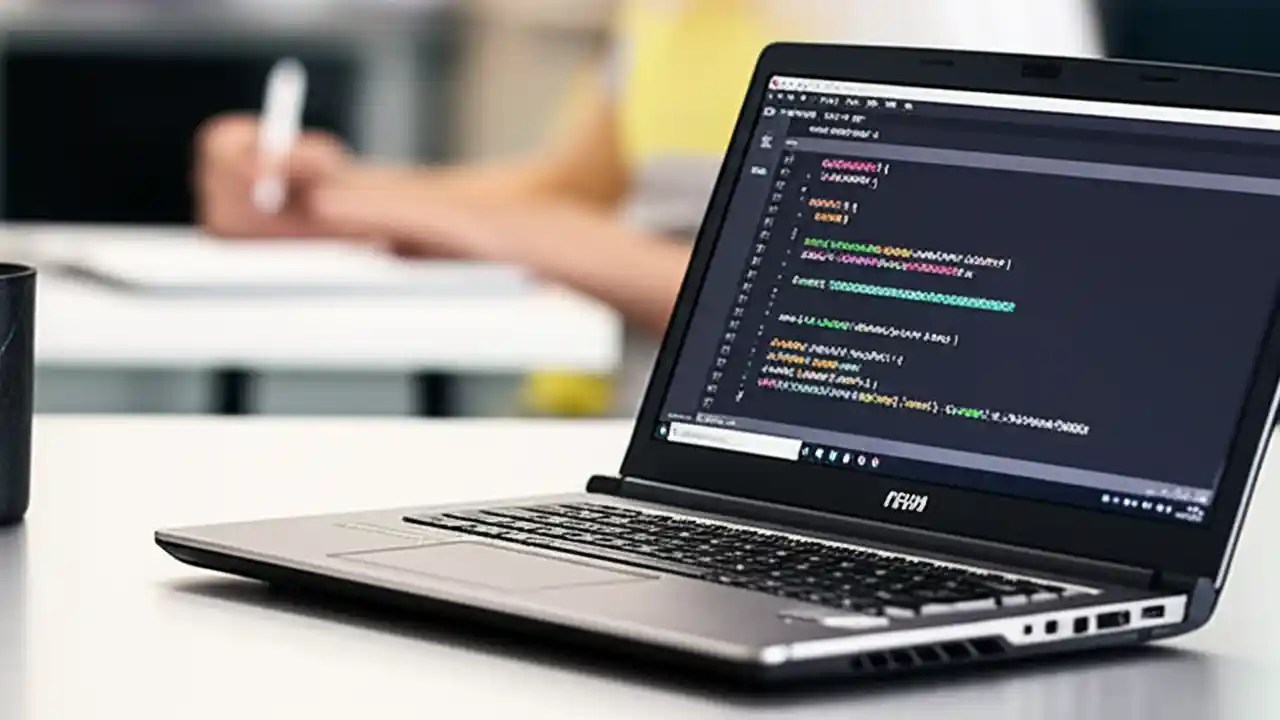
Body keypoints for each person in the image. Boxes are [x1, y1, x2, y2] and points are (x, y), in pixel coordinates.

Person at [196, 0, 1097, 414]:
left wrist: (533, 238)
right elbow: (569, 189)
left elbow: (908, 307)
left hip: (805, 476)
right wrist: (321, 197)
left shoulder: (959, 18)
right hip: (607, 446)